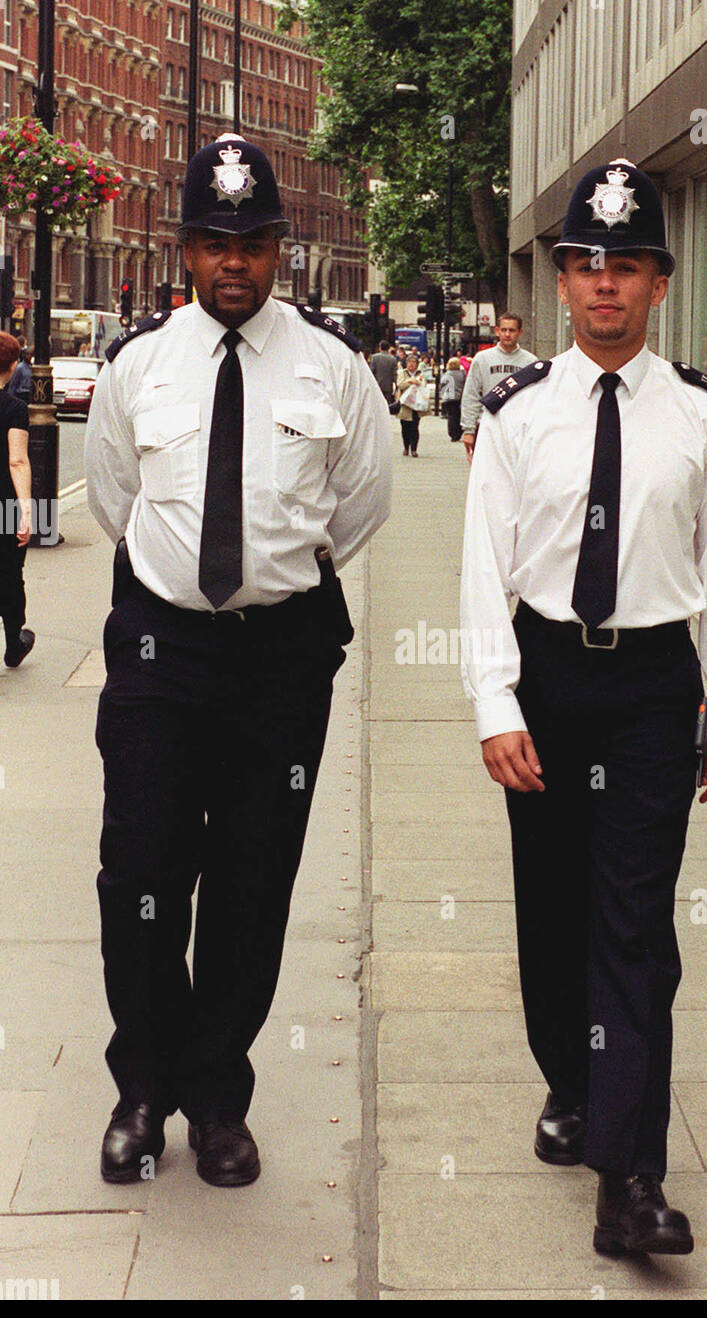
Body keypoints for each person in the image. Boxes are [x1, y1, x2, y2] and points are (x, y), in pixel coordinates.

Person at [460, 158, 707, 1257]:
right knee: (551, 913)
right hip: (546, 673)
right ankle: (574, 1081)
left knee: (632, 923)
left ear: (657, 285)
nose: (602, 286)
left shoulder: (701, 423)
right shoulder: (517, 414)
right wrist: (494, 701)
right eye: (584, 265)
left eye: (624, 267)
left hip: (648, 688)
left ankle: (630, 1174)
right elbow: (477, 569)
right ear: (560, 284)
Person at [85, 132, 391, 1189]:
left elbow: (359, 507)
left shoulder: (333, 370)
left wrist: (271, 577)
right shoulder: (136, 368)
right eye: (213, 242)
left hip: (279, 657)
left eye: (251, 242)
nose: (232, 262)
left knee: (253, 880)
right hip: (162, 647)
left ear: (279, 251)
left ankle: (218, 1097)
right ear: (182, 249)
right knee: (140, 871)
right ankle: (140, 1087)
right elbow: (116, 500)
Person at [0, 332, 34, 666]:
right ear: (12, 365)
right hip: (5, 504)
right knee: (10, 573)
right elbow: (17, 460)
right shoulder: (14, 408)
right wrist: (27, 510)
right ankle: (14, 642)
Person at [460, 314, 536, 462]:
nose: (507, 334)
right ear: (497, 331)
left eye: (512, 330)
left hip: (518, 429)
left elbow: (535, 399)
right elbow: (471, 395)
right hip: (488, 426)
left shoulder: (530, 362)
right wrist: (469, 430)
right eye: (504, 330)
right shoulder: (482, 359)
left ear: (520, 333)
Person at [396, 351, 424, 457]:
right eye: (409, 362)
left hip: (416, 404)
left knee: (415, 427)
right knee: (405, 427)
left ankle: (414, 449)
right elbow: (400, 385)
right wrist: (411, 382)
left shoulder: (420, 373)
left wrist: (418, 382)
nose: (411, 364)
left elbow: (423, 384)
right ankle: (405, 447)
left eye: (413, 362)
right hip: (405, 404)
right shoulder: (402, 373)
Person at [439, 356, 466, 442]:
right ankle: (459, 432)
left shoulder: (447, 374)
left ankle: (453, 434)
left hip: (449, 397)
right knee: (458, 416)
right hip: (459, 397)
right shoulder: (462, 374)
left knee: (451, 416)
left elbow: (442, 385)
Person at [370, 338, 398, 405]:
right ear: (388, 348)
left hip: (377, 384)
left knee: (377, 404)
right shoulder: (393, 359)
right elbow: (394, 374)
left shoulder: (374, 357)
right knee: (387, 404)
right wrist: (396, 385)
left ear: (380, 348)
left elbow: (372, 371)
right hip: (388, 385)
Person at [7, 340, 33, 406]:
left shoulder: (32, 367)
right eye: (27, 354)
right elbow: (14, 383)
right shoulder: (19, 368)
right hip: (21, 394)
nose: (29, 356)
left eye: (30, 354)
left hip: (29, 394)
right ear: (23, 355)